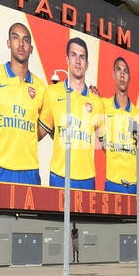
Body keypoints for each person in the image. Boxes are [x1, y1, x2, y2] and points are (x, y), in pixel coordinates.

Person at [0, 21, 53, 185]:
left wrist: (26, 136)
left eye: (26, 40)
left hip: (29, 170)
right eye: (16, 38)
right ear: (9, 43)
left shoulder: (40, 87)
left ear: (31, 49)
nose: (21, 44)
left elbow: (45, 124)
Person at [41, 37, 103, 190]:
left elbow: (106, 142)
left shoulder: (96, 101)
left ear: (87, 64)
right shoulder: (52, 92)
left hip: (87, 178)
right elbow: (42, 130)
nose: (77, 61)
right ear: (67, 59)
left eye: (82, 57)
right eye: (73, 55)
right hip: (59, 175)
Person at [102, 56, 139, 194]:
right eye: (118, 70)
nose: (122, 74)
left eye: (125, 71)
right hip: (112, 183)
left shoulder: (138, 115)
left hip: (134, 185)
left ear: (130, 78)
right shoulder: (103, 105)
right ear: (113, 74)